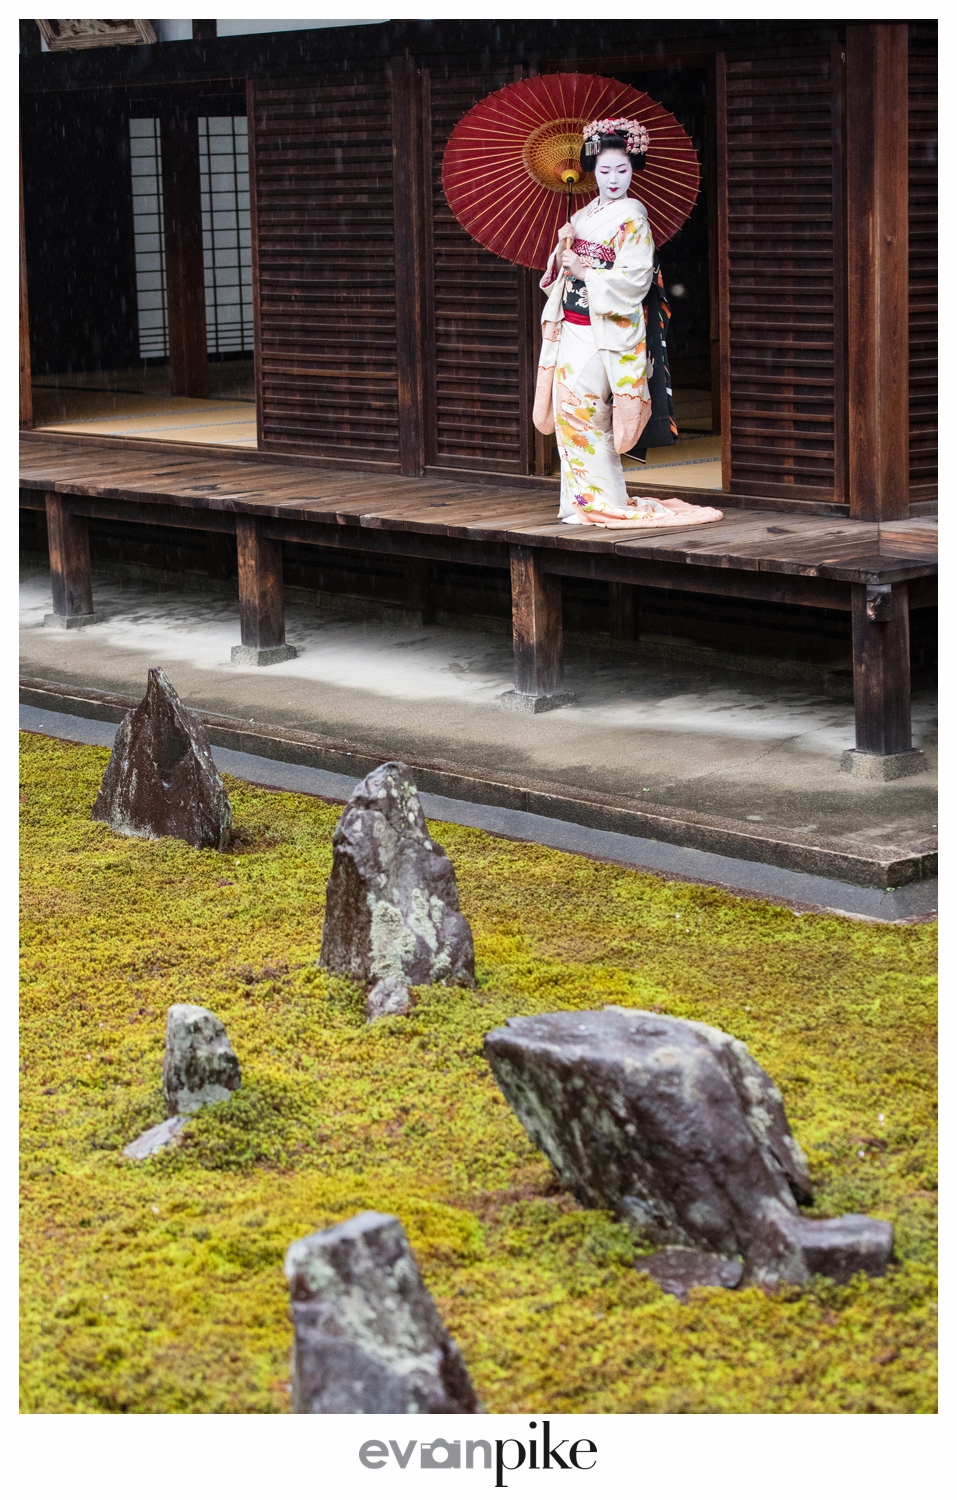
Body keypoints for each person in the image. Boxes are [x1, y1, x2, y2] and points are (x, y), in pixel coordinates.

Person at [533, 118, 720, 531]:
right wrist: (562, 247)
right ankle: (578, 503)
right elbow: (560, 275)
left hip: (604, 332)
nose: (614, 179)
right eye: (604, 170)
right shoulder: (581, 215)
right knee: (570, 418)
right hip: (574, 327)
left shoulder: (634, 217)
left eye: (622, 170)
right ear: (590, 171)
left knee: (589, 417)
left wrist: (585, 272)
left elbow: (636, 279)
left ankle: (604, 501)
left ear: (633, 169)